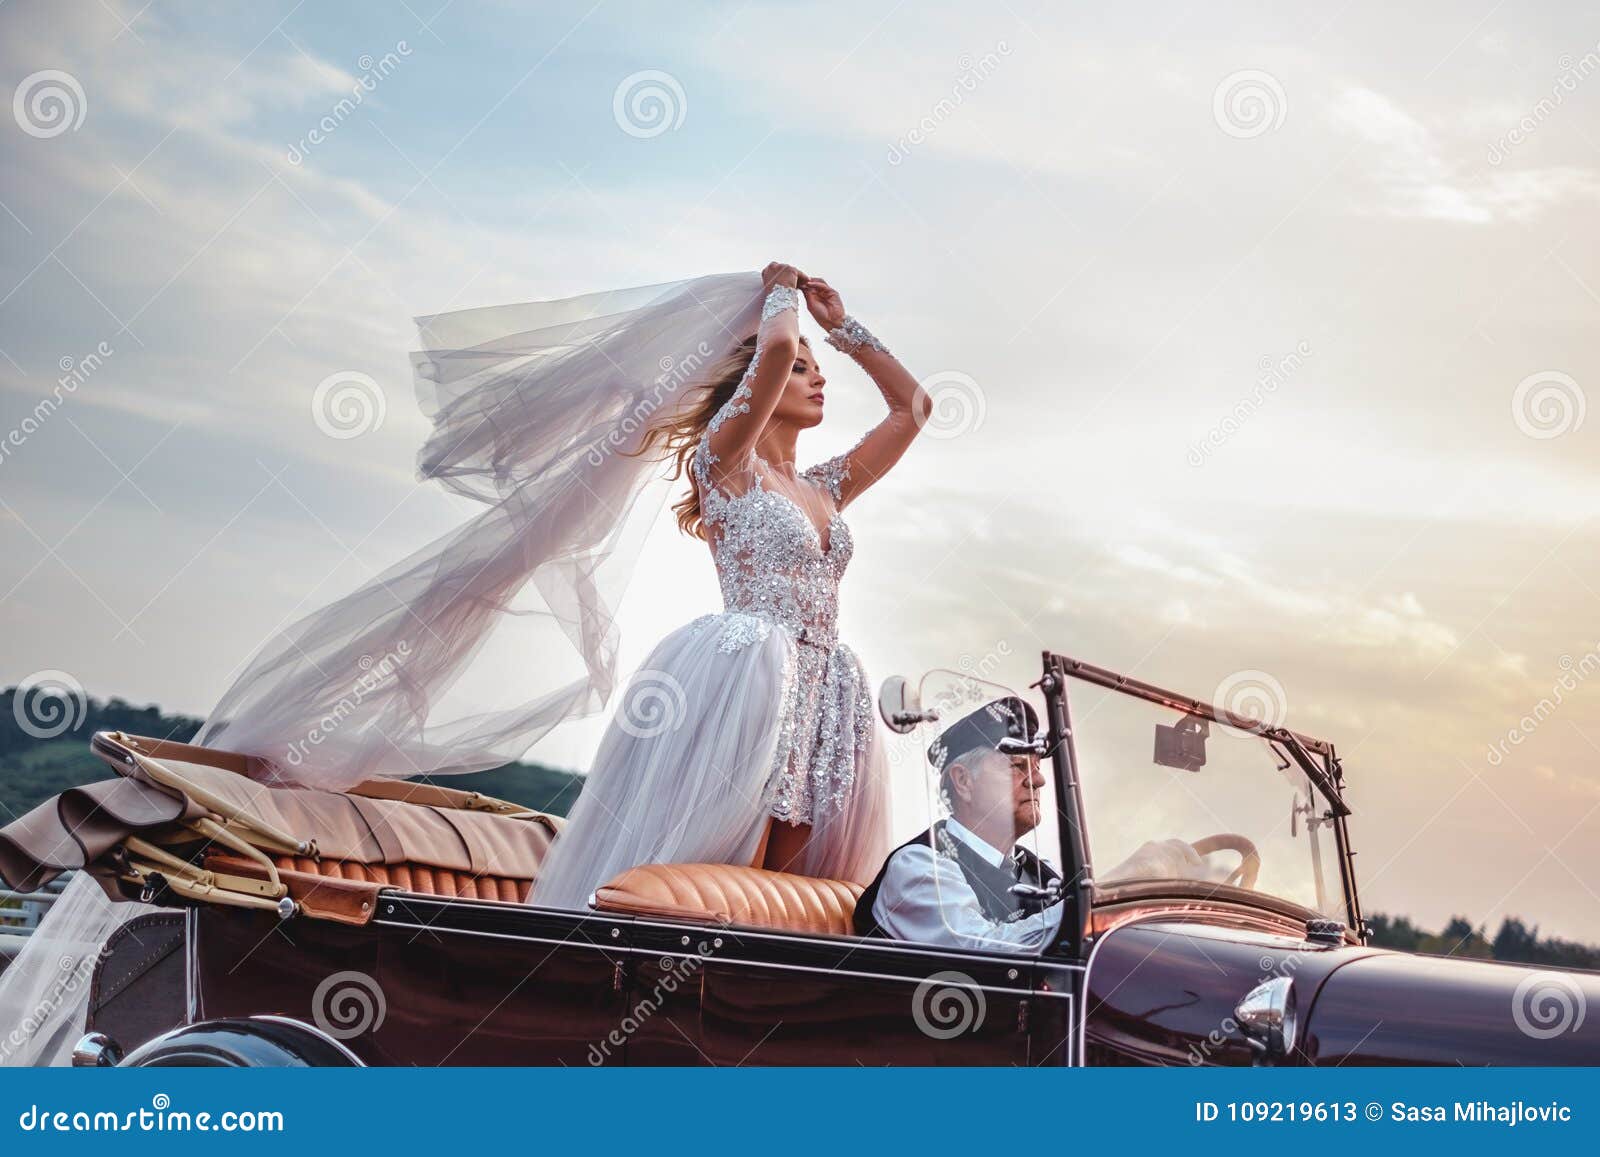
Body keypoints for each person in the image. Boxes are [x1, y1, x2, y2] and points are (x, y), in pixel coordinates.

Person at [528, 263, 932, 907]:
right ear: (755, 386)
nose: (817, 373)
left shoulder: (825, 487)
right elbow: (772, 347)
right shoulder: (724, 463)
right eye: (802, 368)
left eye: (813, 366)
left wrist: (841, 327)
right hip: (749, 680)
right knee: (709, 869)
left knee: (783, 891)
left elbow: (913, 409)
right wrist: (780, 293)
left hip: (828, 691)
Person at [854, 697, 1065, 952]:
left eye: (1037, 766)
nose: (1038, 779)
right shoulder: (919, 868)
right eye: (1017, 765)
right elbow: (981, 952)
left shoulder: (1042, 870)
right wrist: (1075, 912)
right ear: (963, 781)